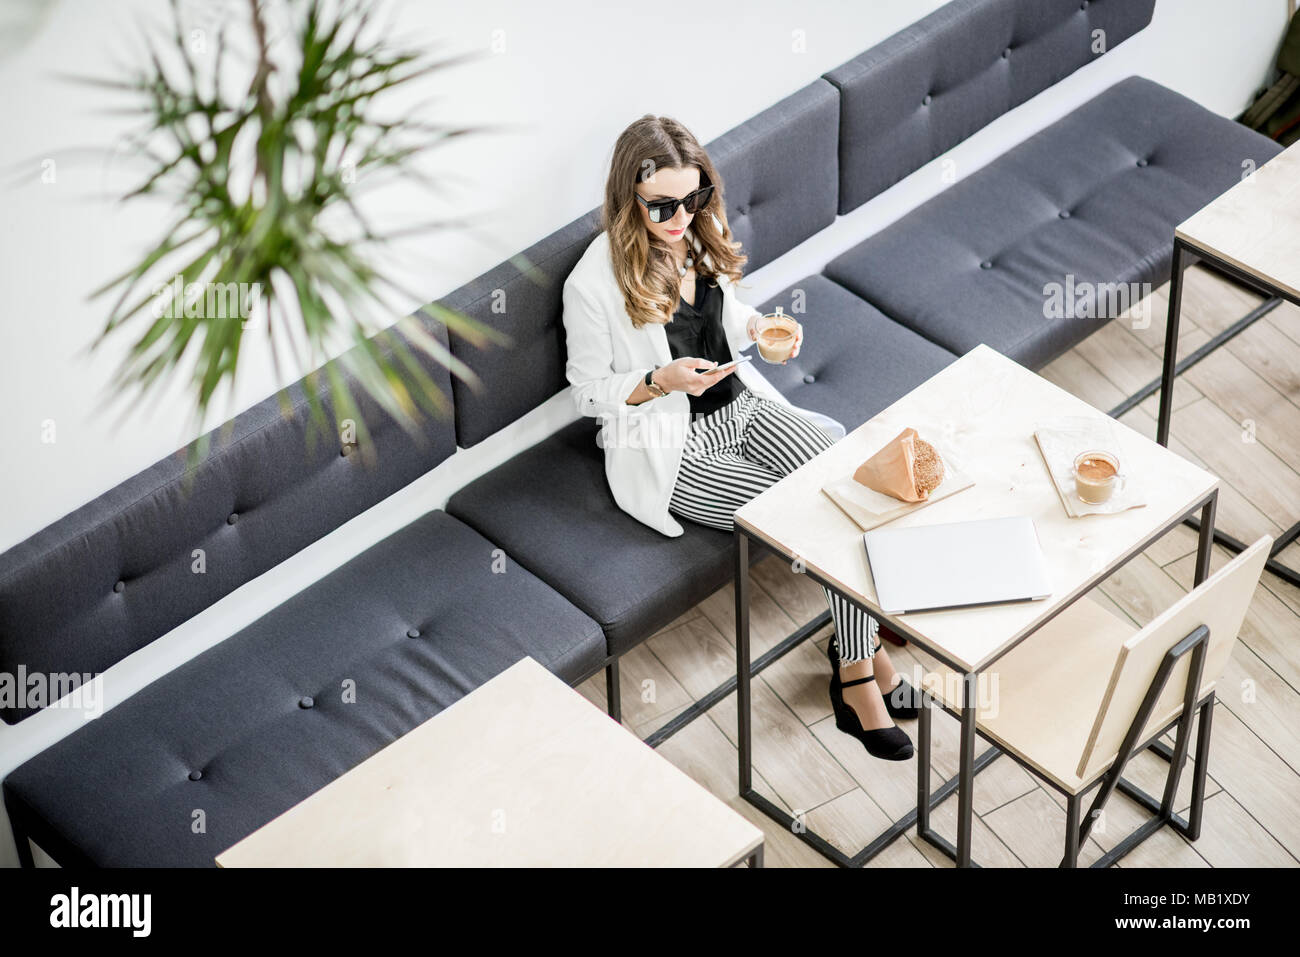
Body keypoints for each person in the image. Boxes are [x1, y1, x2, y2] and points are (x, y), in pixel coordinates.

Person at [561, 115, 920, 759]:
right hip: (674, 451)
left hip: (743, 409)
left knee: (842, 471)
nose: (680, 216)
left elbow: (726, 314)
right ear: (627, 197)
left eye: (693, 198)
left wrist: (759, 330)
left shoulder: (702, 231)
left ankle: (852, 648)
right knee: (815, 516)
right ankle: (859, 676)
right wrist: (659, 380)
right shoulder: (592, 283)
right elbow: (588, 392)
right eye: (662, 205)